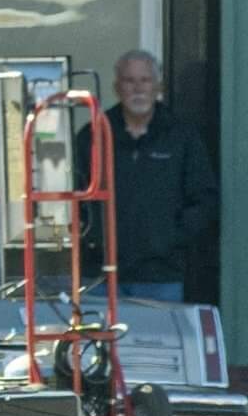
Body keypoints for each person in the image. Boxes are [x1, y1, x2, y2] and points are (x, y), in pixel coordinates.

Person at [76, 48, 218, 303]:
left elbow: (204, 199)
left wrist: (169, 239)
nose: (138, 88)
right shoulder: (94, 135)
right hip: (99, 277)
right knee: (100, 344)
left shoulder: (181, 136)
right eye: (130, 81)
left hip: (161, 277)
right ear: (117, 87)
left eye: (145, 80)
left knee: (159, 342)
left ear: (158, 87)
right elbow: (74, 196)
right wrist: (92, 238)